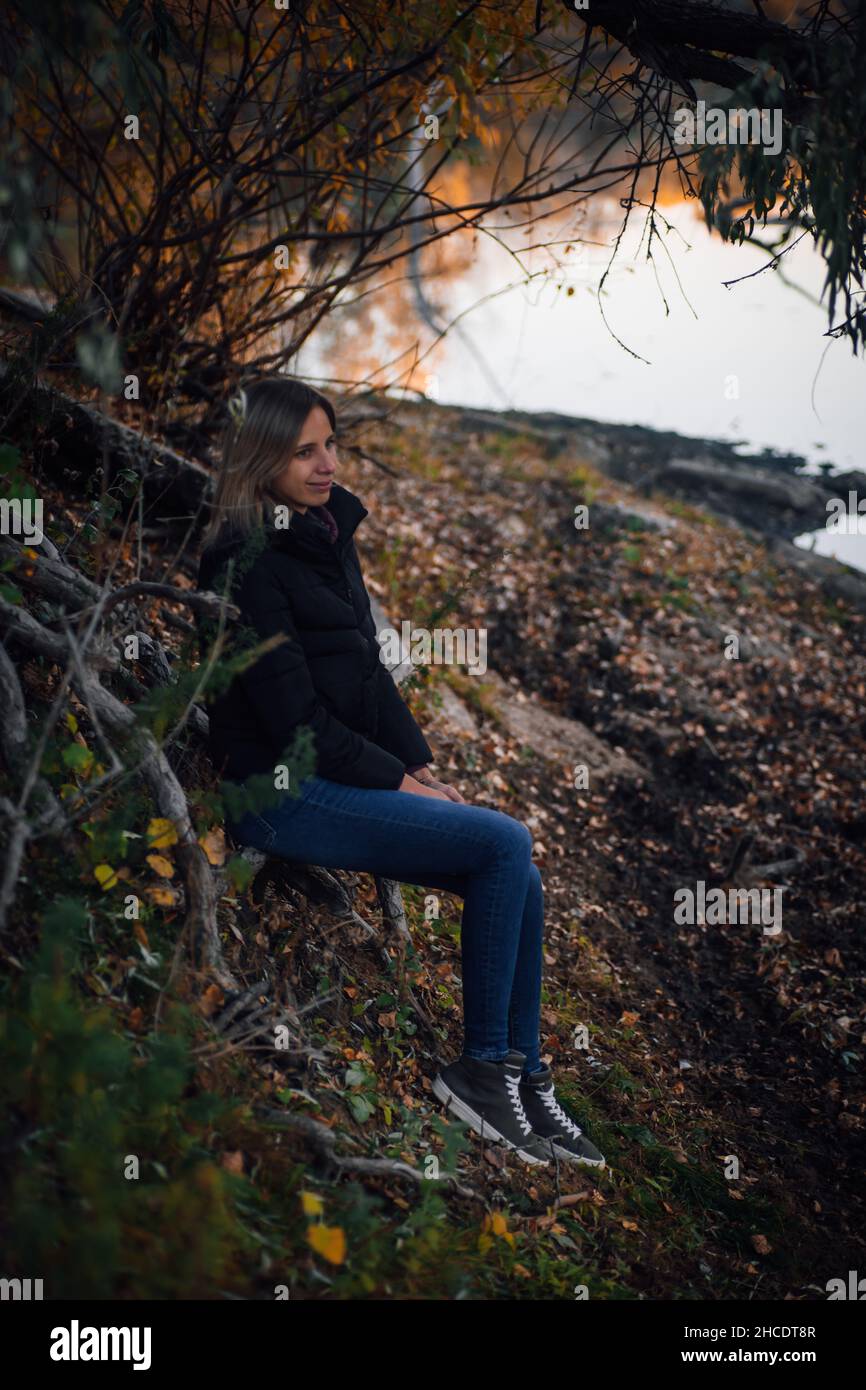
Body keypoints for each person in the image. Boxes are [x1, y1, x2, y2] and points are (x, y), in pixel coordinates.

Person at [195, 375, 605, 1170]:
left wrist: (416, 763)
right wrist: (400, 786)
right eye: (303, 451)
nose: (326, 465)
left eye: (331, 445)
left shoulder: (324, 534)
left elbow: (370, 676)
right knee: (501, 843)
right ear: (261, 460)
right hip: (279, 793)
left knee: (517, 871)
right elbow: (297, 728)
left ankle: (524, 1077)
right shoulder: (243, 566)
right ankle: (481, 1071)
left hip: (335, 777)